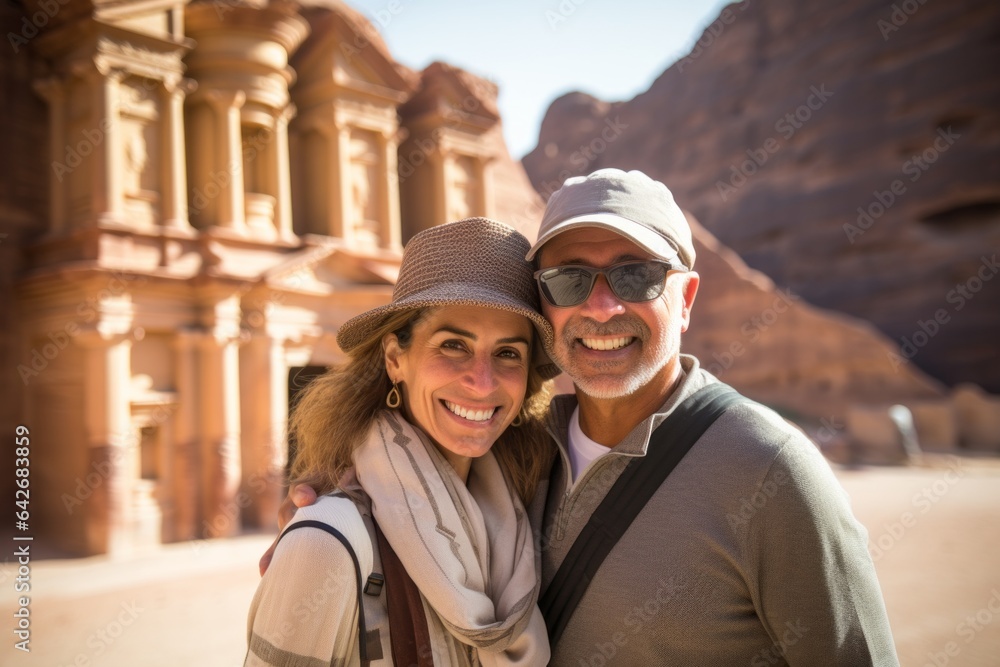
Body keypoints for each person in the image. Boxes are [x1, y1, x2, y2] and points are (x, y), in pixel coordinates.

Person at [268, 170, 900, 666]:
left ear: (686, 298)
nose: (600, 307)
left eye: (636, 275)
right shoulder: (515, 451)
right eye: (569, 280)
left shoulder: (771, 471)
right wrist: (331, 514)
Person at [245, 218, 556, 666]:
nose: (483, 382)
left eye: (508, 353)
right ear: (395, 359)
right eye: (453, 345)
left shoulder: (525, 514)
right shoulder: (323, 543)